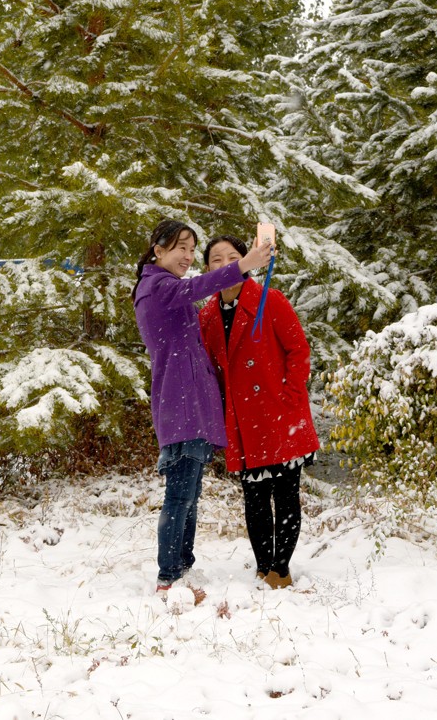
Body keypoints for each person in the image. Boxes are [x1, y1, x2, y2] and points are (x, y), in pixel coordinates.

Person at [133, 220, 273, 593]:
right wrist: (244, 264)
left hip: (190, 405)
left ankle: (183, 565)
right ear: (158, 250)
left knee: (190, 494)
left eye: (192, 249)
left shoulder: (164, 288)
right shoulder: (158, 287)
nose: (188, 256)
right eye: (181, 247)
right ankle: (169, 575)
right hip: (181, 405)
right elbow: (198, 287)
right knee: (180, 495)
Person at [198, 235, 321, 590]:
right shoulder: (207, 315)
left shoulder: (270, 300)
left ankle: (280, 570)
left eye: (232, 257)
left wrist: (289, 396)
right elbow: (210, 370)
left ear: (248, 259)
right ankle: (263, 566)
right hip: (242, 421)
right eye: (216, 259)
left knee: (285, 494)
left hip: (280, 414)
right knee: (254, 498)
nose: (225, 265)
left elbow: (298, 350)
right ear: (207, 269)